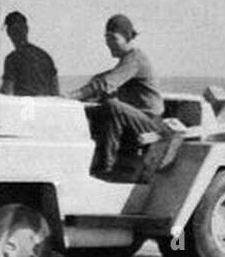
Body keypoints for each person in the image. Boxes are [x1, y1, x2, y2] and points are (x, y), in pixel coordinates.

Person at [70, 14, 164, 176]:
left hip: (148, 123)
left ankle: (105, 168)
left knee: (113, 107)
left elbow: (105, 84)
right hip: (136, 119)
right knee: (91, 111)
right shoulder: (126, 61)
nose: (109, 43)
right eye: (107, 38)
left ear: (127, 37)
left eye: (113, 38)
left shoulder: (135, 59)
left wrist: (72, 96)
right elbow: (101, 80)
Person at [0, 11, 59, 96]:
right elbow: (55, 93)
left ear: (8, 32)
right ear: (27, 29)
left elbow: (7, 92)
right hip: (44, 108)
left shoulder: (12, 59)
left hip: (23, 108)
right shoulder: (45, 57)